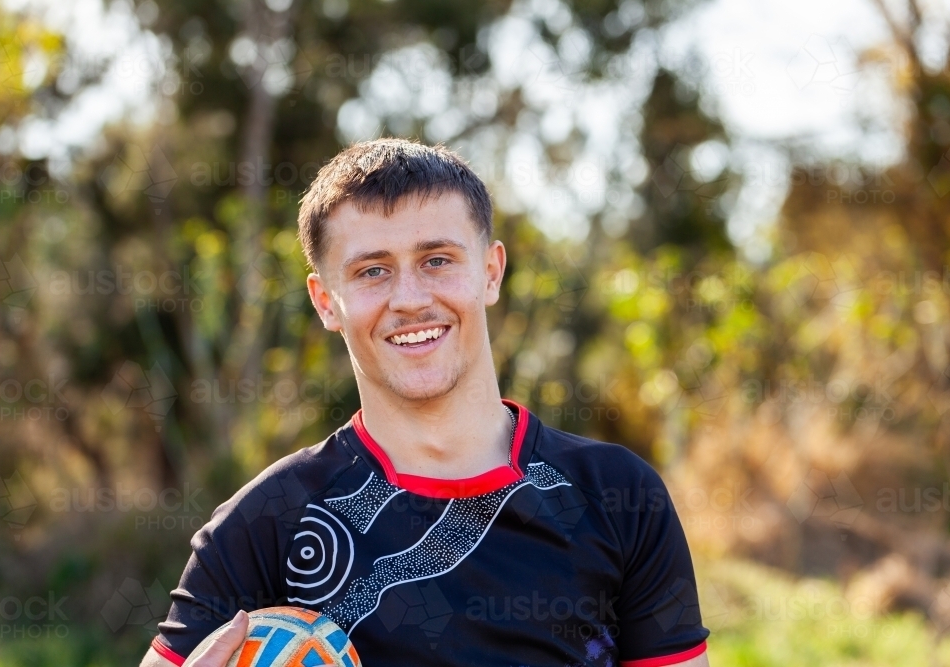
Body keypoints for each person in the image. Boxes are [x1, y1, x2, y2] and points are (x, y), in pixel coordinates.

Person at [139, 138, 710, 667]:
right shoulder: (265, 522)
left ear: (490, 272)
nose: (409, 300)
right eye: (372, 271)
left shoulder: (619, 498)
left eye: (437, 260)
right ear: (325, 302)